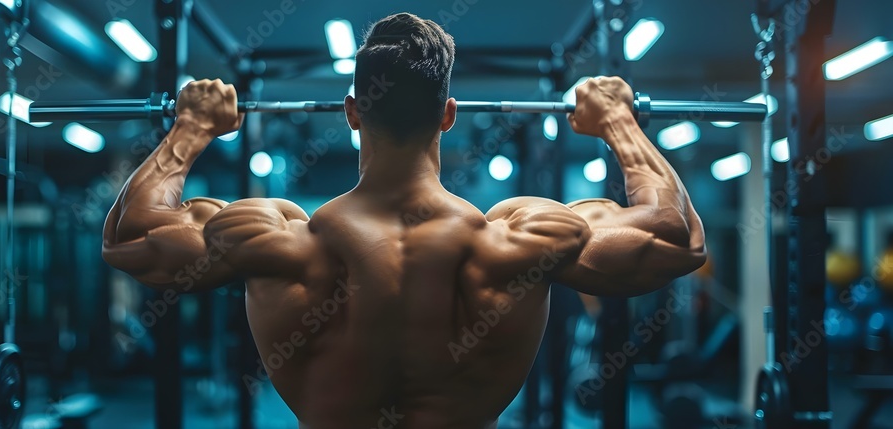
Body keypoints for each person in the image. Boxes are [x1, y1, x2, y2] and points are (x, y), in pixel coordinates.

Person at [102, 12, 706, 429]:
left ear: (351, 113)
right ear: (448, 114)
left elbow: (129, 236)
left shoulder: (273, 238)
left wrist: (192, 128)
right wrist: (619, 125)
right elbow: (677, 238)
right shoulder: (521, 238)